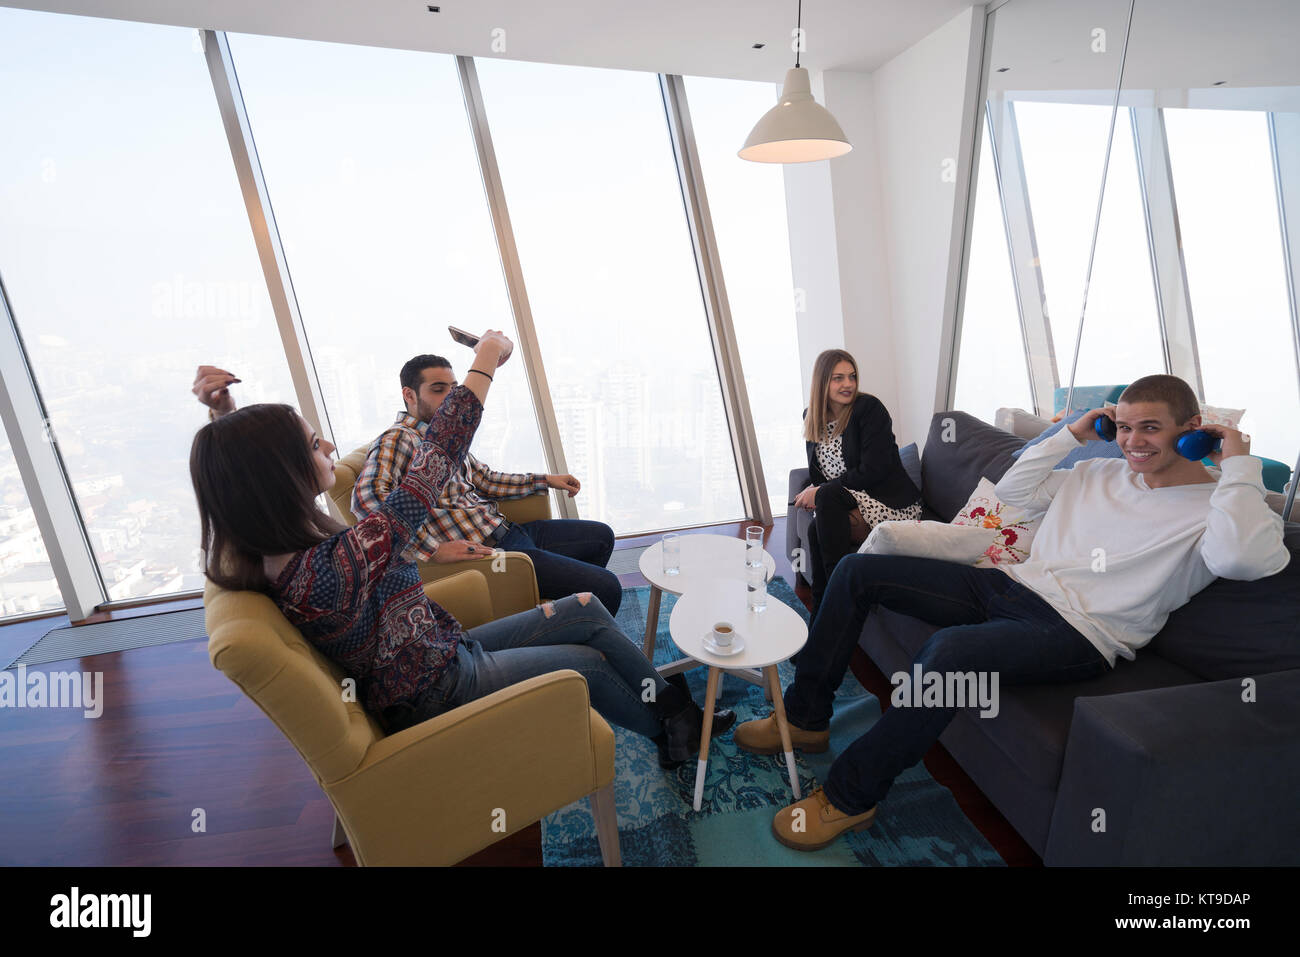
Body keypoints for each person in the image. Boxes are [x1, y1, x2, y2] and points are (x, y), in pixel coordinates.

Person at [739, 374, 1290, 850]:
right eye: (1122, 427)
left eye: (1149, 427)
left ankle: (849, 795)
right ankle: (806, 718)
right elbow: (1012, 491)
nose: (1132, 442)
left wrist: (1238, 464)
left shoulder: (1221, 508)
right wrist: (1070, 435)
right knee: (858, 571)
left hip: (1079, 633)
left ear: (1194, 427)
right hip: (1009, 584)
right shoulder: (1098, 473)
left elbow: (1243, 559)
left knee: (950, 654)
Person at [189, 333, 717, 769]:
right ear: (279, 474)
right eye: (312, 444)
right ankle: (673, 735)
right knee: (589, 664)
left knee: (587, 607)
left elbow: (244, 484)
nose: (327, 446)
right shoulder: (337, 565)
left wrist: (225, 415)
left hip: (445, 648)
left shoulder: (275, 549)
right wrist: (486, 360)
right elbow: (437, 455)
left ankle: (677, 711)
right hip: (438, 687)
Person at [354, 353, 624, 615]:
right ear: (409, 395)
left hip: (507, 531)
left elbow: (485, 479)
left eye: (454, 389)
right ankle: (581, 631)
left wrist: (545, 480)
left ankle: (570, 613)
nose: (451, 397)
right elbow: (367, 500)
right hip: (492, 555)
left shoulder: (446, 437)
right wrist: (431, 549)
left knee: (601, 538)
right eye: (438, 390)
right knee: (607, 586)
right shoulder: (399, 439)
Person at [793, 349, 922, 619]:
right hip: (848, 499)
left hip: (889, 501)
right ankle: (821, 612)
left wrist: (821, 491)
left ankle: (838, 601)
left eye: (851, 376)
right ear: (822, 382)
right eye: (838, 378)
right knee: (817, 528)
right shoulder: (812, 416)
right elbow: (821, 476)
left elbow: (874, 470)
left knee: (826, 499)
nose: (848, 384)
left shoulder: (869, 409)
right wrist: (816, 489)